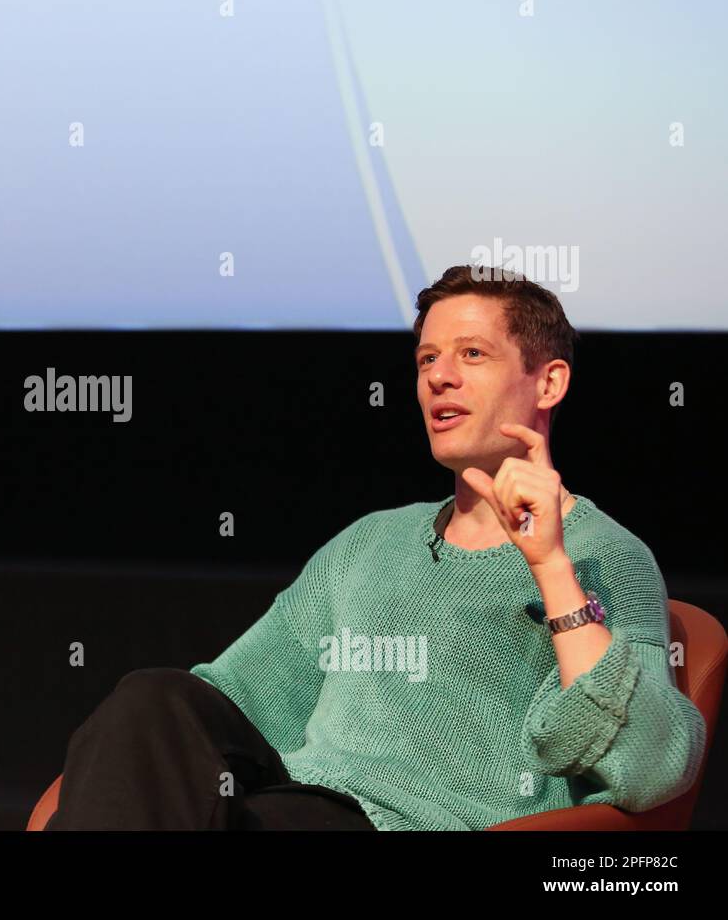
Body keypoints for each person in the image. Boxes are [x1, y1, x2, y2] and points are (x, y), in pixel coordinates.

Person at [47, 265, 706, 830]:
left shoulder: (603, 555)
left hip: (411, 824)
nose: (439, 377)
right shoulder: (371, 542)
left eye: (472, 355)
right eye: (427, 359)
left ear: (549, 383)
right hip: (286, 806)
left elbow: (651, 768)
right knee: (153, 697)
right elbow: (236, 697)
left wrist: (550, 567)